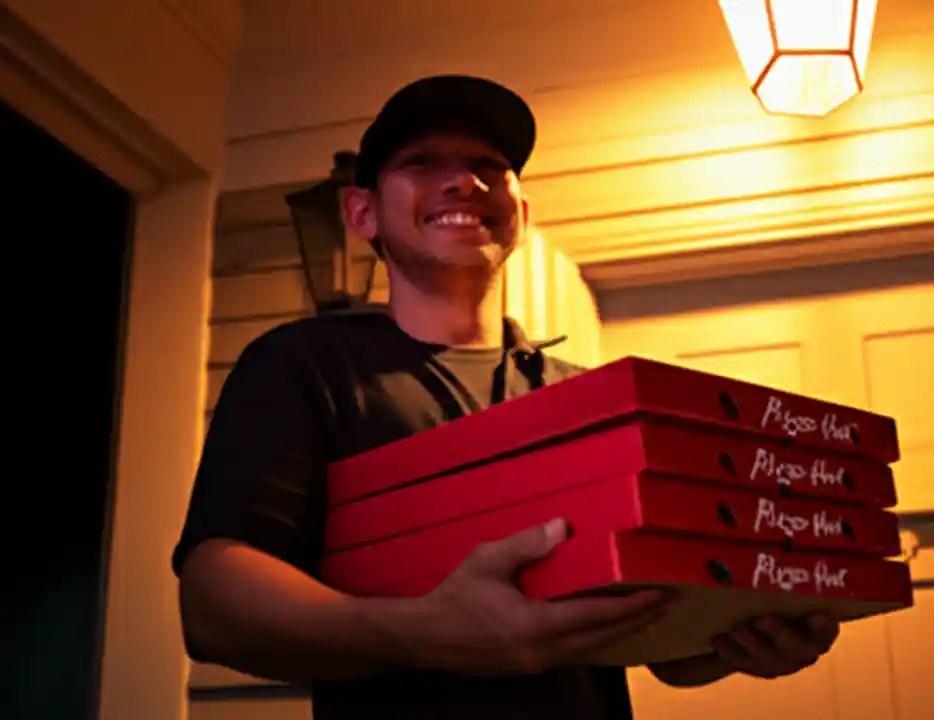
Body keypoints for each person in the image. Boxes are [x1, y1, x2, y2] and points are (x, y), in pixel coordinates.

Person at [171, 74, 842, 719]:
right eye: (423, 161)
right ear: (361, 211)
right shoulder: (300, 367)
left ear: (520, 212)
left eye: (489, 164)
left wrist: (735, 636)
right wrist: (425, 632)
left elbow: (653, 635)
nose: (464, 181)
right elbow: (213, 606)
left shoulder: (585, 394)